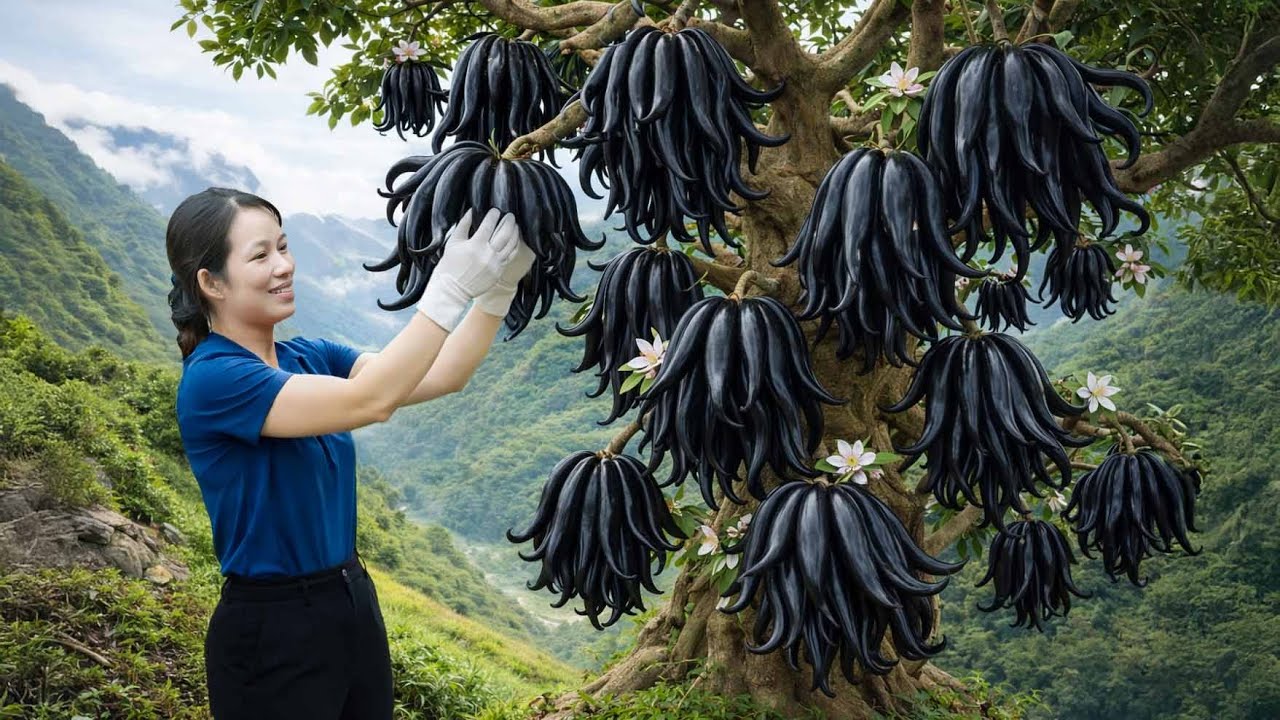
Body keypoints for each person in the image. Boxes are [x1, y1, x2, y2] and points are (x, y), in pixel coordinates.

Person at [166, 187, 533, 720]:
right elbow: (373, 399)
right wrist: (449, 286)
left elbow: (442, 375)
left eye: (284, 247)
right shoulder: (215, 380)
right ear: (211, 282)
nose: (284, 266)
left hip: (352, 601)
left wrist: (498, 291)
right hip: (273, 627)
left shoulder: (308, 354)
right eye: (260, 255)